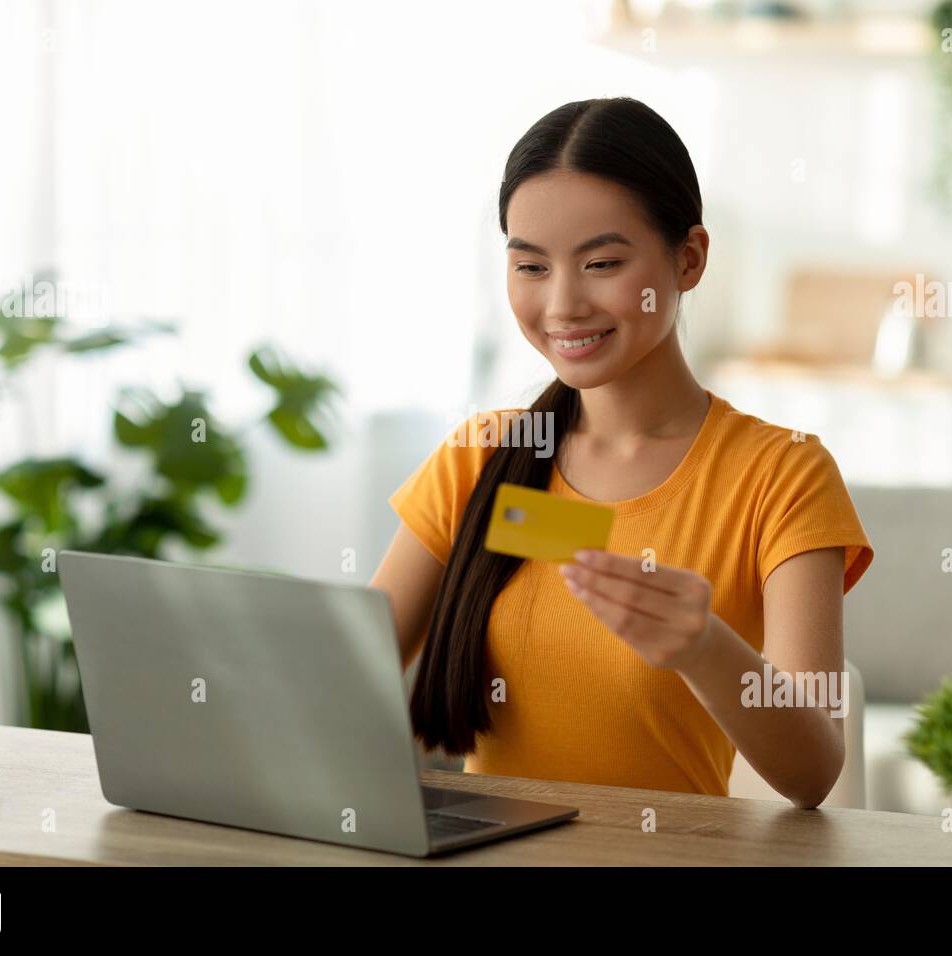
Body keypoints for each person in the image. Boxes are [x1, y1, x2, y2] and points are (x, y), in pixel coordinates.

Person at [371, 96, 874, 807]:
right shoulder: (481, 457)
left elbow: (814, 770)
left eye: (601, 262)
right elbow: (344, 681)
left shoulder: (780, 474)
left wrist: (704, 646)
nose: (563, 304)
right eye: (532, 267)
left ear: (689, 259)